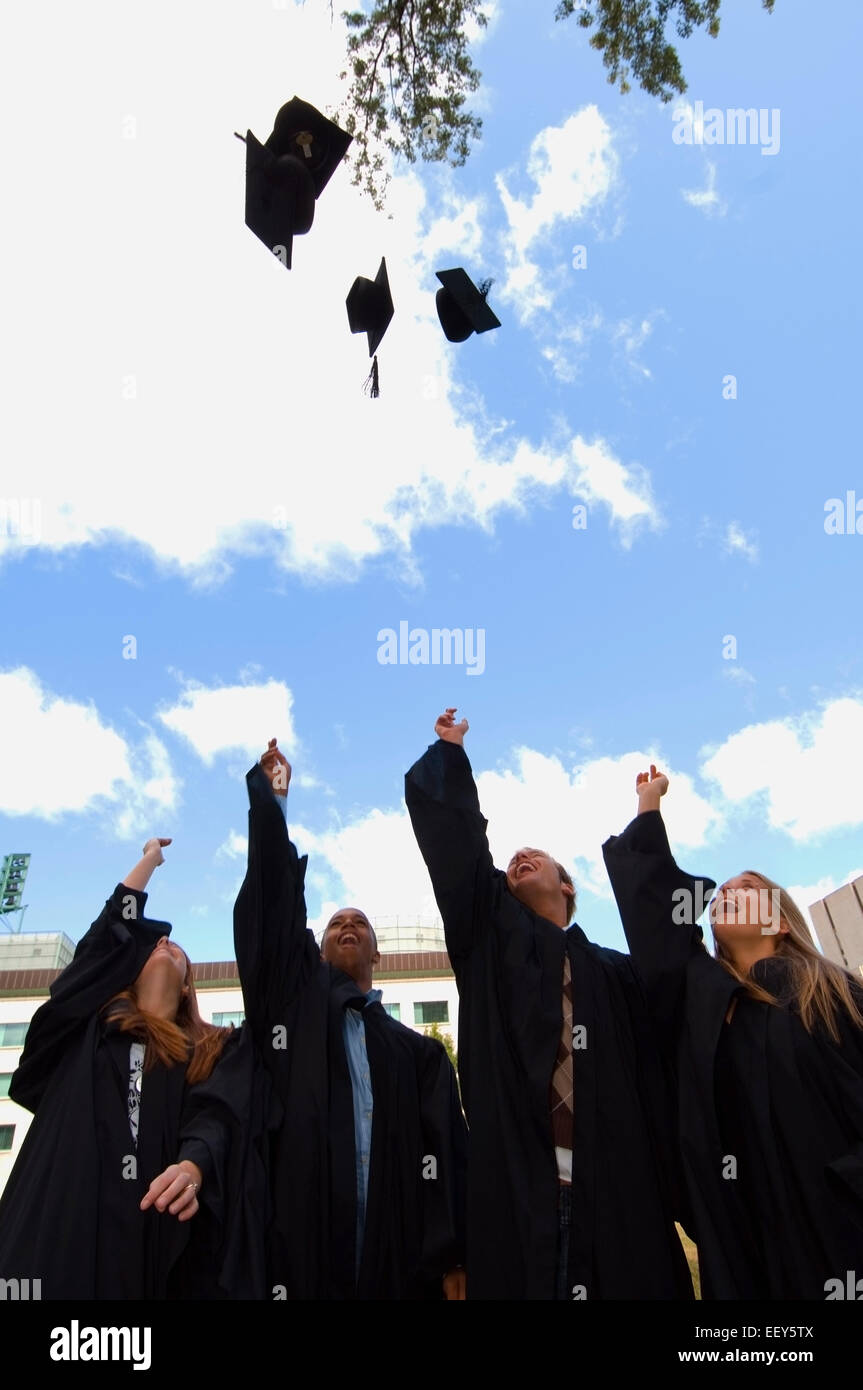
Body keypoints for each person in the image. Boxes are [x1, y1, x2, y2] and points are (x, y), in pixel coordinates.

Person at [405, 709, 692, 1300]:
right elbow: (457, 854)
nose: (519, 856)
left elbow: (672, 961)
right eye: (511, 858)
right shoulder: (487, 943)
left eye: (535, 854)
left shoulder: (617, 974)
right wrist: (452, 755)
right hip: (514, 1202)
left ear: (567, 886)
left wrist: (647, 811)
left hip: (617, 1202)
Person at [602, 764, 863, 1300]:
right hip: (745, 1241)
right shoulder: (702, 997)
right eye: (720, 891)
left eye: (746, 888)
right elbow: (657, 924)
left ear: (782, 920)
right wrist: (649, 806)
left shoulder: (833, 991)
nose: (726, 893)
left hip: (841, 1225)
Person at [233, 738, 467, 1301]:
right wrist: (274, 805)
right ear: (315, 949)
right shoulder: (292, 1014)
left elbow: (448, 1160)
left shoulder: (420, 1057)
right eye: (336, 920)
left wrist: (455, 1258)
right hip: (299, 1261)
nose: (348, 925)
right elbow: (269, 911)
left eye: (360, 922)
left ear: (376, 952)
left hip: (396, 1266)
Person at [0, 836, 256, 1300]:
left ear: (186, 988)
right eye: (153, 943)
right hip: (63, 1237)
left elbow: (220, 1117)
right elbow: (97, 947)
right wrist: (147, 864)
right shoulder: (82, 1034)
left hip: (154, 1244)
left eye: (176, 947)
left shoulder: (211, 1052)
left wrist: (194, 1167)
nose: (164, 943)